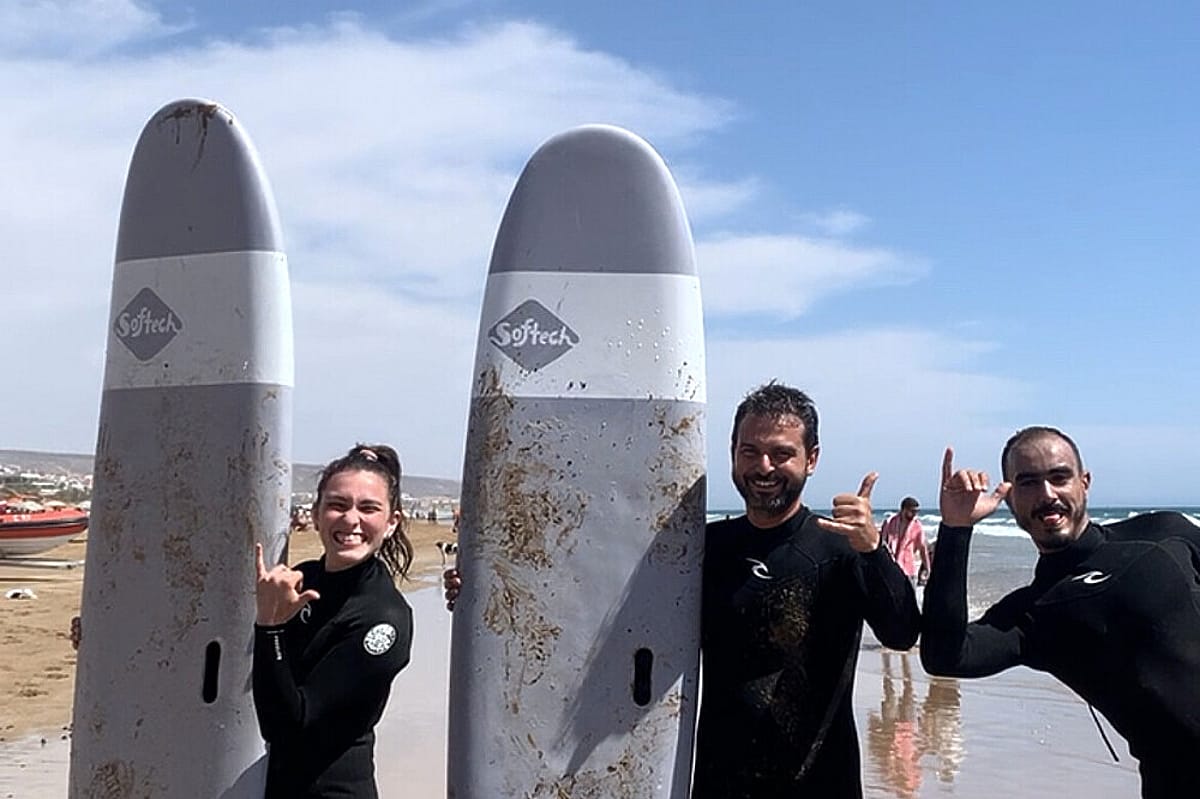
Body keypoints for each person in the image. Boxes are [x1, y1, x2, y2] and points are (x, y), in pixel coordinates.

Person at [444, 381, 920, 796]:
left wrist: (873, 550)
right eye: (750, 451)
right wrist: (483, 584)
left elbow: (901, 633)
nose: (764, 467)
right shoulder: (705, 549)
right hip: (719, 781)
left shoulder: (839, 550)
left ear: (811, 459)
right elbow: (599, 597)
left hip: (819, 784)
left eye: (781, 453)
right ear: (732, 453)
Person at [921, 428, 1200, 799]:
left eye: (1059, 477)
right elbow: (945, 655)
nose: (1047, 494)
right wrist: (956, 530)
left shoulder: (1165, 533)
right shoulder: (1034, 614)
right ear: (1009, 497)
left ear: (1084, 482)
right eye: (1028, 482)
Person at [253, 443, 415, 798]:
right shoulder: (303, 578)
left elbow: (286, 725)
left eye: (368, 508)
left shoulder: (382, 619)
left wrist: (269, 626)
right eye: (337, 505)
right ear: (316, 514)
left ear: (391, 523)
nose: (351, 519)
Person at [879, 496, 931, 585]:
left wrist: (927, 568)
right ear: (904, 509)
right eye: (912, 511)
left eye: (916, 511)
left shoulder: (916, 526)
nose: (915, 514)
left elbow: (922, 548)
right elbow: (882, 544)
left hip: (908, 569)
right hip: (890, 567)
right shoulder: (889, 522)